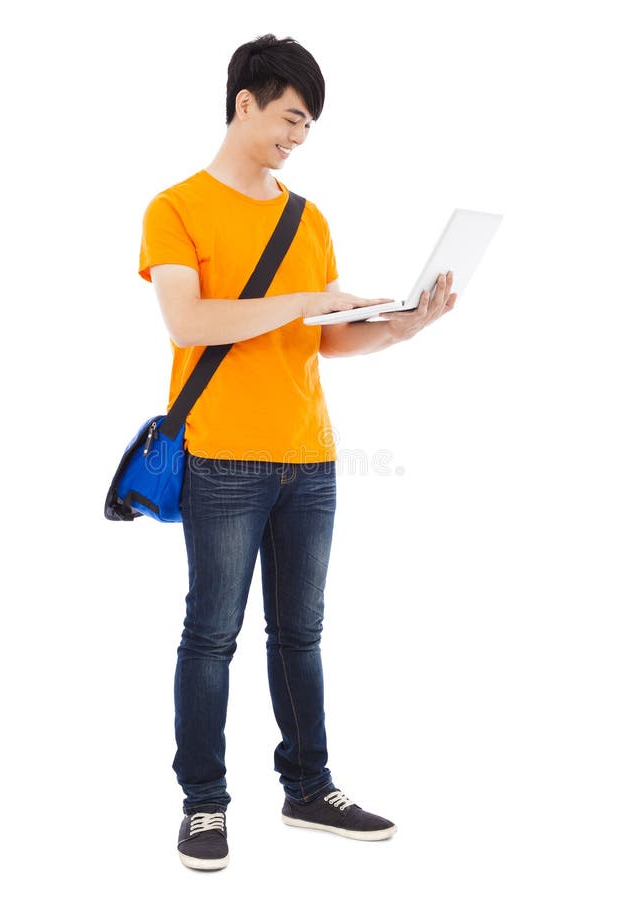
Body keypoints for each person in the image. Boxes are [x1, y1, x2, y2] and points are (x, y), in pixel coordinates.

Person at [137, 33, 457, 872]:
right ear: (244, 101)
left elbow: (318, 343)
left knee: (300, 634)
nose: (296, 137)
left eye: (308, 125)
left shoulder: (306, 218)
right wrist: (305, 299)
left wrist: (402, 325)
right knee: (210, 636)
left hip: (309, 460)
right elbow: (190, 324)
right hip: (223, 460)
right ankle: (203, 806)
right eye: (289, 117)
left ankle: (307, 789)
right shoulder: (175, 208)